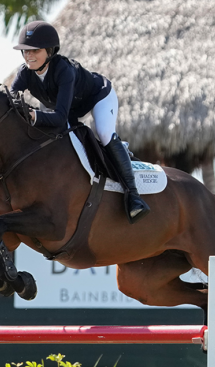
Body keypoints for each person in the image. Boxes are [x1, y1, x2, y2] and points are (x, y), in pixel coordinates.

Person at [10, 21, 149, 224]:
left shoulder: (63, 70)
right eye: (25, 51)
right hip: (64, 108)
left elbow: (59, 118)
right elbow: (10, 97)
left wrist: (33, 116)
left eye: (34, 50)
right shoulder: (25, 72)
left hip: (97, 96)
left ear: (49, 51)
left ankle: (134, 196)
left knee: (102, 132)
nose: (28, 56)